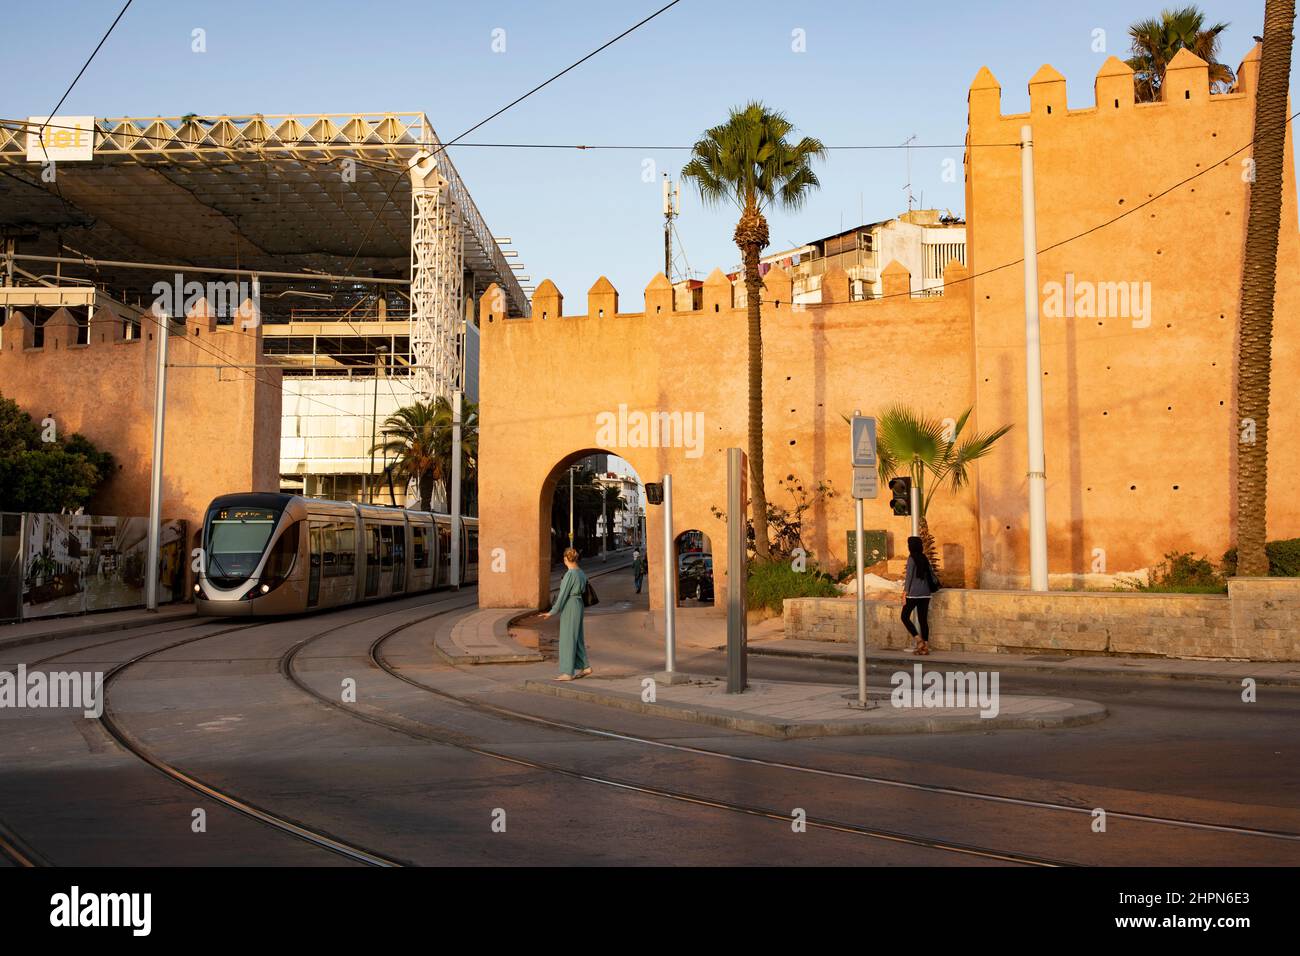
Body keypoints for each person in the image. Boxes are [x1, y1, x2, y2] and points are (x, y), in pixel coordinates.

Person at [542, 547, 590, 680]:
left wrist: (552, 612)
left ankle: (567, 672)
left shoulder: (570, 574)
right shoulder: (581, 572)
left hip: (570, 605)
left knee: (568, 639)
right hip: (579, 604)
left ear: (565, 559)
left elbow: (562, 595)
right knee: (577, 637)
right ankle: (586, 666)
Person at [902, 535, 938, 655]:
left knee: (904, 616)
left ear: (911, 546)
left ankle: (919, 641)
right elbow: (930, 574)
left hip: (914, 594)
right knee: (923, 620)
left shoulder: (911, 558)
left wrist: (904, 593)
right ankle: (925, 646)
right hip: (926, 593)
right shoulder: (924, 558)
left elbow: (909, 577)